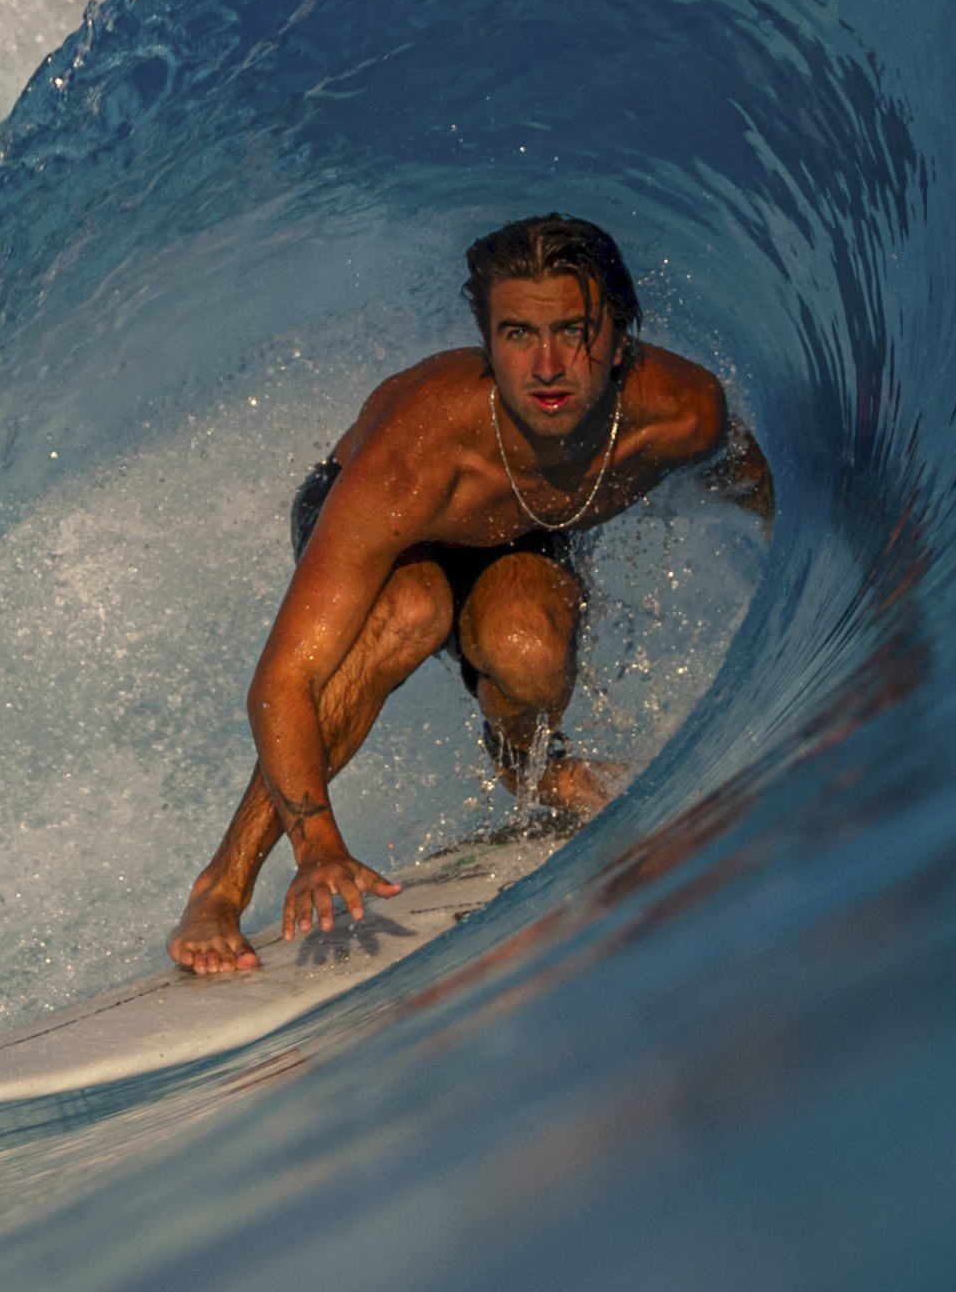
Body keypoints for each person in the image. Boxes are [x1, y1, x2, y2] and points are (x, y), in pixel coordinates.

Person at [172, 212, 773, 978]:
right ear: (487, 346)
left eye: (574, 332)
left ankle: (530, 766)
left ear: (620, 338)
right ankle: (221, 884)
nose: (547, 366)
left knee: (529, 651)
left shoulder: (683, 414)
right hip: (397, 533)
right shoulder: (410, 461)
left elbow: (760, 495)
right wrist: (318, 845)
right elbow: (283, 681)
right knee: (413, 610)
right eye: (518, 335)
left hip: (521, 529)